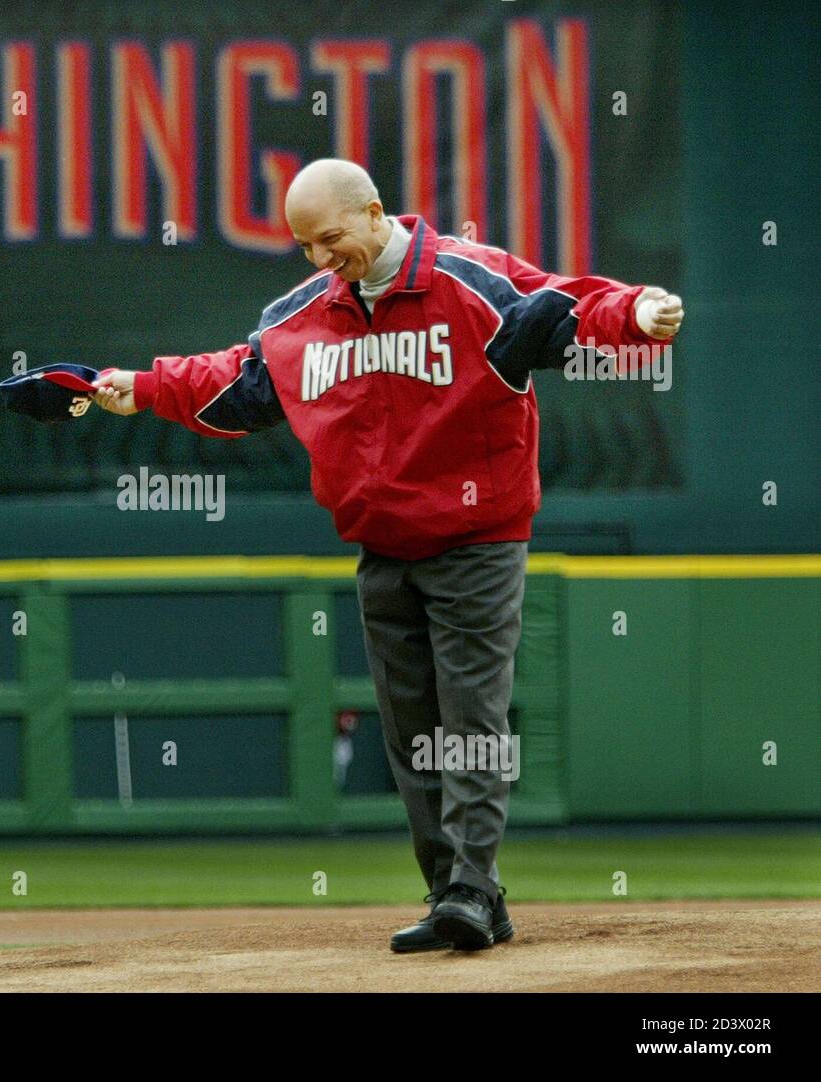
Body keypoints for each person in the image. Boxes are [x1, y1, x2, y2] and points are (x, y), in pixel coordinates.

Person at [92, 158, 683, 952]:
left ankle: (472, 887)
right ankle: (457, 894)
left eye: (329, 238)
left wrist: (636, 311)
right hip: (381, 544)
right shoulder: (304, 314)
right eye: (303, 246)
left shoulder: (470, 282)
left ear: (376, 213)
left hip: (478, 539)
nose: (318, 259)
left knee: (469, 715)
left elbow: (565, 309)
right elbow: (236, 381)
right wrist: (136, 384)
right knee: (411, 733)